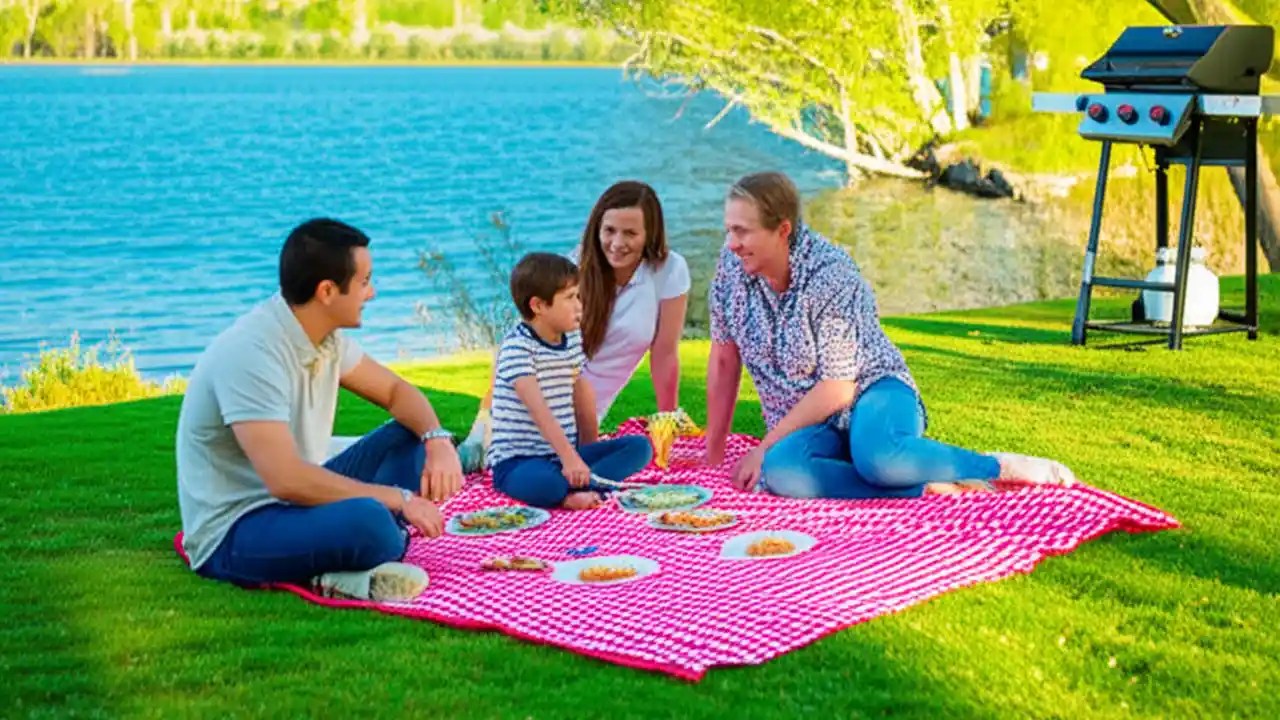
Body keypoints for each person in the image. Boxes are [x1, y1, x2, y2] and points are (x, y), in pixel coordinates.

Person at [702, 172, 1078, 498]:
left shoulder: (830, 274)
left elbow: (839, 386)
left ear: (783, 230)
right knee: (782, 472)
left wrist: (763, 446)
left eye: (742, 231)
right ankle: (921, 484)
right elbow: (723, 357)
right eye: (728, 230)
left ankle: (993, 466)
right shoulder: (731, 268)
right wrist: (714, 452)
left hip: (872, 390)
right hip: (807, 420)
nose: (731, 243)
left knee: (880, 458)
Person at [176, 218, 464, 603]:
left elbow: (397, 392)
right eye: (364, 282)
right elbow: (286, 480)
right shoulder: (252, 354)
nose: (372, 293)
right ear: (327, 290)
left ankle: (358, 550)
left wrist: (437, 439)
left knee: (410, 435)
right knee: (372, 522)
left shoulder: (325, 338)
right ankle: (349, 566)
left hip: (297, 502)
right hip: (238, 530)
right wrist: (400, 499)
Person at [457, 181, 689, 470]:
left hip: (587, 417)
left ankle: (567, 476)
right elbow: (521, 342)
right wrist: (484, 420)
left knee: (635, 452)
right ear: (597, 228)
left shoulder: (668, 270)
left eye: (630, 233)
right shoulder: (577, 266)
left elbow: (665, 353)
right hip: (543, 410)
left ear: (650, 234)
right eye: (609, 230)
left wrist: (667, 421)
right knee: (483, 464)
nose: (617, 243)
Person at [486, 252, 653, 509]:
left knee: (640, 447)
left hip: (563, 454)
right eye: (570, 298)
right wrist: (570, 459)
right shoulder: (518, 349)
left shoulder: (571, 339)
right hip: (519, 461)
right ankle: (569, 494)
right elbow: (539, 410)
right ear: (538, 306)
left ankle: (582, 483)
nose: (579, 305)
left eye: (578, 295)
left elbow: (581, 392)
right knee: (547, 484)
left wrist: (586, 450)